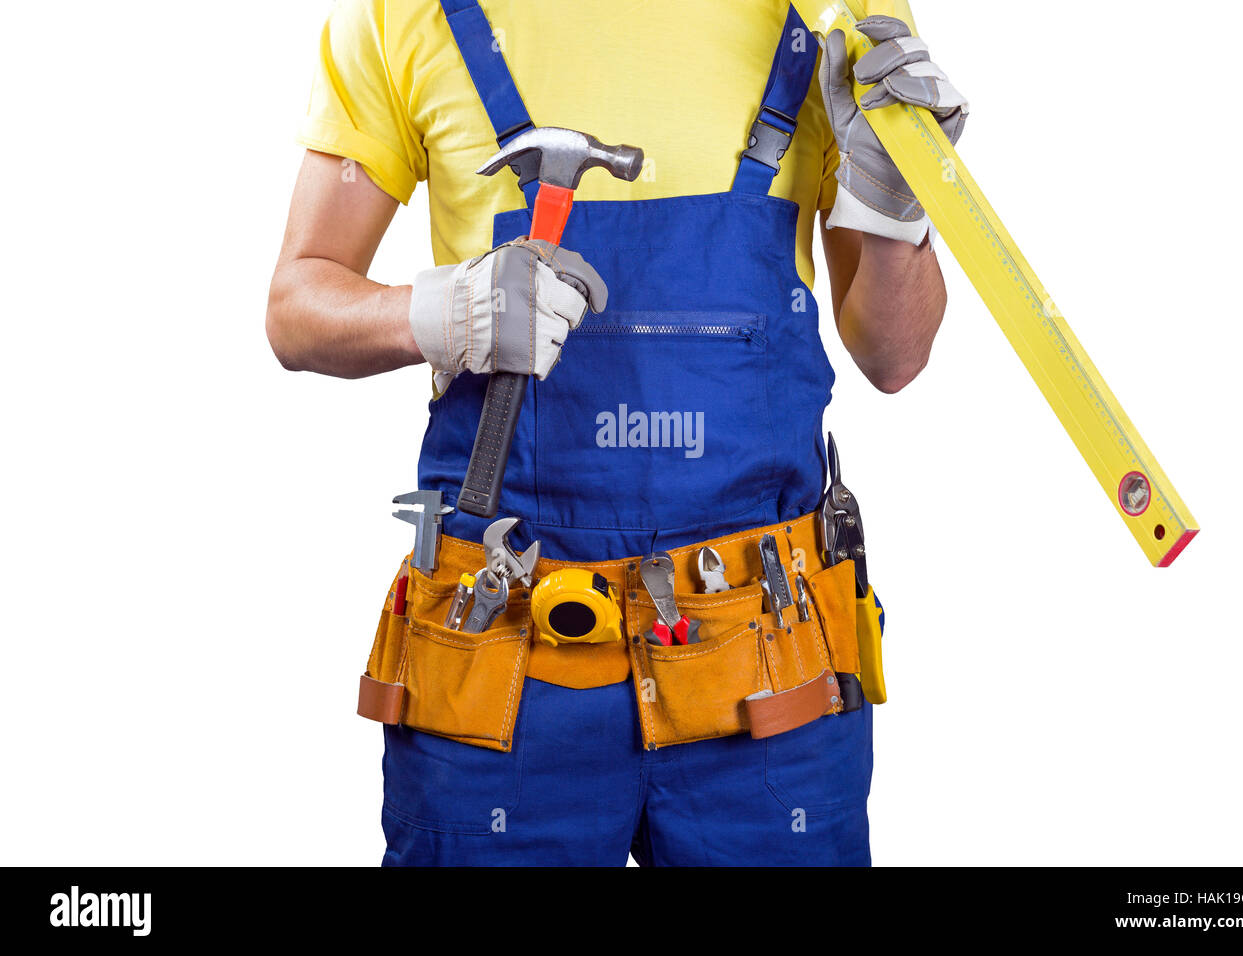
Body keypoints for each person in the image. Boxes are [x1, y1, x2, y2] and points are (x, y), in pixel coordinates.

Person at [267, 0, 966, 866]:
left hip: (768, 657)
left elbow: (895, 357)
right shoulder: (407, 15)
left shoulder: (833, 14)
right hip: (500, 660)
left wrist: (896, 211)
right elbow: (296, 308)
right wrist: (441, 312)